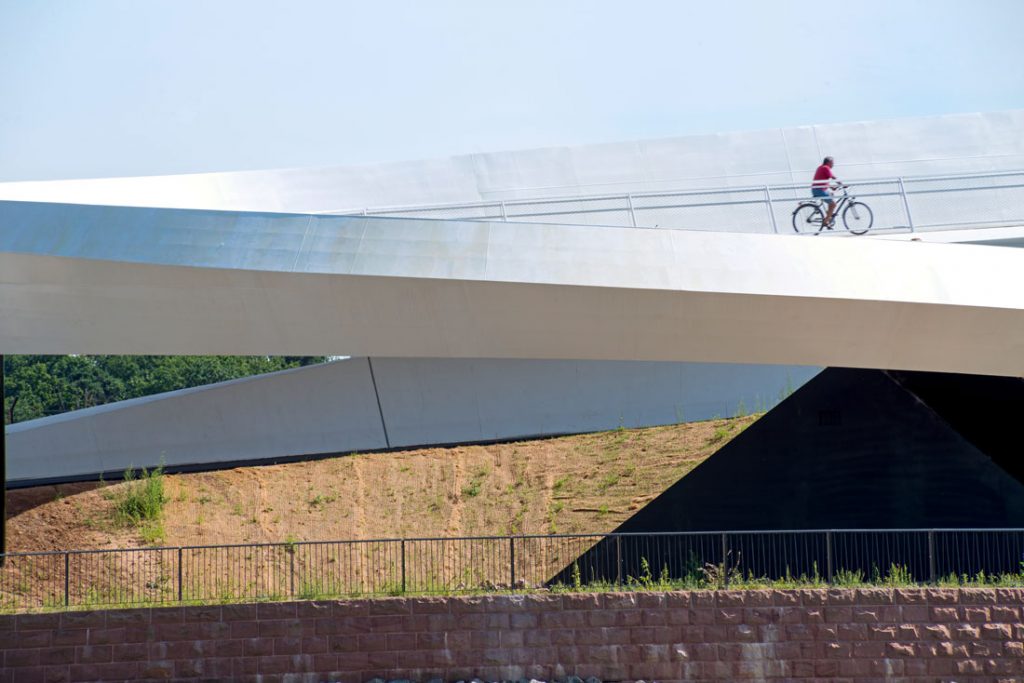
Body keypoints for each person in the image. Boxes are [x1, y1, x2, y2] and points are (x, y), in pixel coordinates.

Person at [811, 156, 843, 227]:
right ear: (828, 162)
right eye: (832, 163)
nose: (833, 165)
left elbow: (822, 180)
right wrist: (842, 184)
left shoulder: (821, 167)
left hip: (817, 189)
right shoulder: (826, 168)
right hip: (819, 190)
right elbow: (833, 177)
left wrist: (831, 187)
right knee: (833, 204)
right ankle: (826, 221)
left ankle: (828, 214)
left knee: (831, 195)